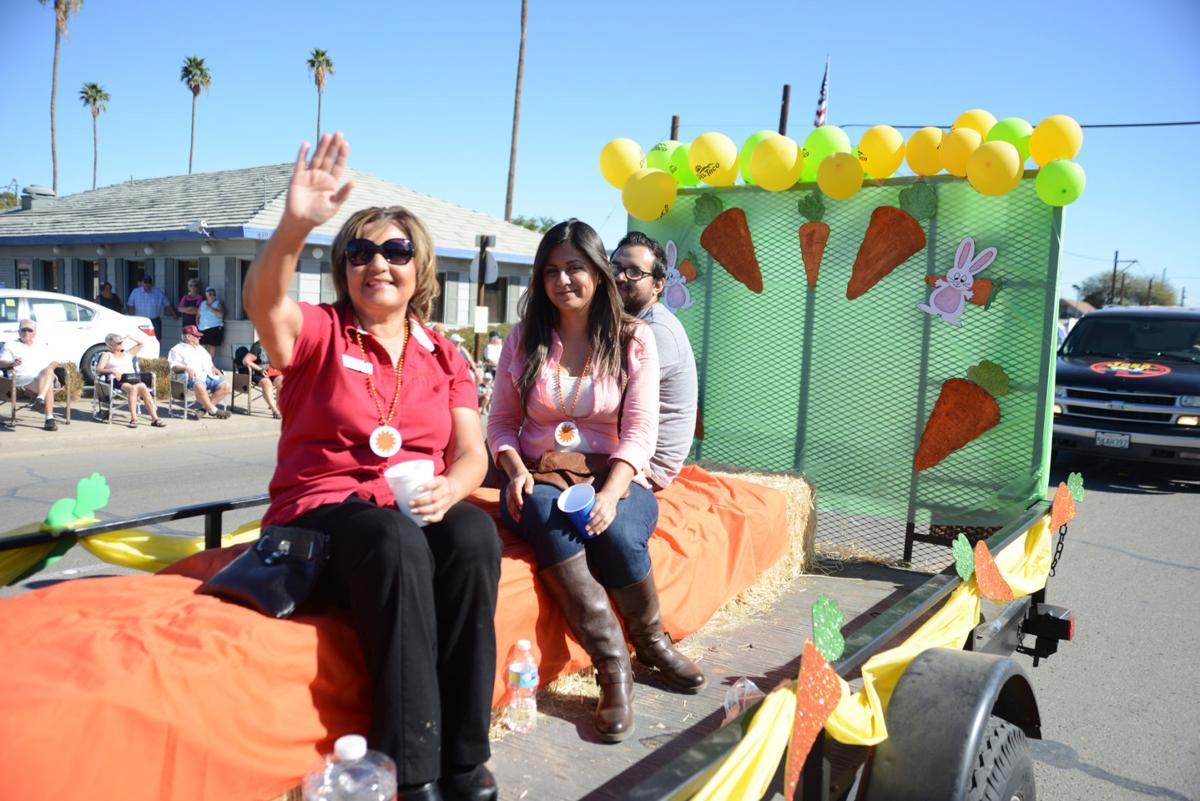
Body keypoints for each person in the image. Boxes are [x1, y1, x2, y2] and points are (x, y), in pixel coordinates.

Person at [242, 133, 500, 801]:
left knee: (472, 535)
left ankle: (466, 761)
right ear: (344, 269)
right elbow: (263, 304)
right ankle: (409, 773)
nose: (377, 264)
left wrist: (455, 488)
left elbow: (471, 452)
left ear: (421, 270)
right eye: (360, 252)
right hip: (319, 527)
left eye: (395, 251)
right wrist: (295, 226)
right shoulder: (321, 330)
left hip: (403, 519)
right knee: (392, 538)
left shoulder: (445, 354)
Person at [488, 219, 705, 744]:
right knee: (543, 511)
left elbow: (640, 428)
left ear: (598, 273)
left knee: (610, 530)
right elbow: (499, 421)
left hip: (616, 472)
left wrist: (611, 493)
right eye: (552, 271)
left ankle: (651, 643)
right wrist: (514, 470)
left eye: (576, 268)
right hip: (539, 471)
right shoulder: (524, 337)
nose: (563, 280)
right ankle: (615, 671)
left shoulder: (636, 339)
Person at [611, 231, 699, 491]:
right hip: (629, 450)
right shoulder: (630, 321)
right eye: (615, 267)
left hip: (648, 467)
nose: (620, 277)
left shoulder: (656, 330)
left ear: (659, 285)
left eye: (634, 272)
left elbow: (610, 399)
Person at [0, 318, 61, 431]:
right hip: (22, 378)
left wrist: (51, 366)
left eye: (30, 330)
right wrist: (11, 363)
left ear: (35, 333)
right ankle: (49, 418)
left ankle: (40, 399)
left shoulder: (42, 345)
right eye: (24, 330)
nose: (27, 333)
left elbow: (55, 361)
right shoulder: (10, 345)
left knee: (49, 371)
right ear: (19, 332)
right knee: (49, 385)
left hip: (43, 377)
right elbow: (1, 362)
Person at [96, 332, 166, 428]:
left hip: (132, 378)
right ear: (110, 345)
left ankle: (155, 419)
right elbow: (98, 369)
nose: (121, 344)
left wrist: (130, 337)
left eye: (121, 342)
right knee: (133, 389)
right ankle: (134, 419)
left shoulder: (128, 353)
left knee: (143, 387)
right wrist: (112, 370)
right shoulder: (107, 355)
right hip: (117, 380)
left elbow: (142, 343)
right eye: (118, 343)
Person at [167, 325, 231, 419]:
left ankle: (205, 409)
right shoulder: (177, 349)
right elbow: (174, 367)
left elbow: (209, 363)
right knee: (199, 386)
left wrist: (214, 368)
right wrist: (186, 368)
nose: (199, 337)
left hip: (208, 376)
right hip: (190, 379)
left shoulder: (200, 348)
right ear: (188, 337)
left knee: (226, 385)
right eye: (196, 336)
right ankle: (214, 411)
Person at [237, 339, 283, 418]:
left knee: (282, 382)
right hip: (258, 372)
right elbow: (246, 361)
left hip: (271, 371)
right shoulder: (258, 346)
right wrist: (260, 369)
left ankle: (279, 407)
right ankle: (275, 410)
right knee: (267, 384)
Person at [126, 275, 174, 341]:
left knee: (156, 339)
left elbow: (167, 304)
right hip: (141, 321)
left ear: (151, 284)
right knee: (141, 339)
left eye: (149, 283)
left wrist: (174, 315)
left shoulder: (158, 292)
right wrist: (132, 318)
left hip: (155, 321)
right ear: (142, 283)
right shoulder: (135, 292)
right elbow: (130, 305)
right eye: (145, 283)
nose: (147, 285)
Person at [198, 287, 225, 357]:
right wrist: (198, 325)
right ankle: (203, 364)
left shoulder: (217, 303)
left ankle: (209, 365)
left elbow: (221, 314)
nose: (212, 295)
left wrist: (211, 309)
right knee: (202, 346)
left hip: (214, 327)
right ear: (206, 295)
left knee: (212, 346)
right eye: (210, 294)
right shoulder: (203, 303)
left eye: (214, 294)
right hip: (202, 328)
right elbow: (197, 315)